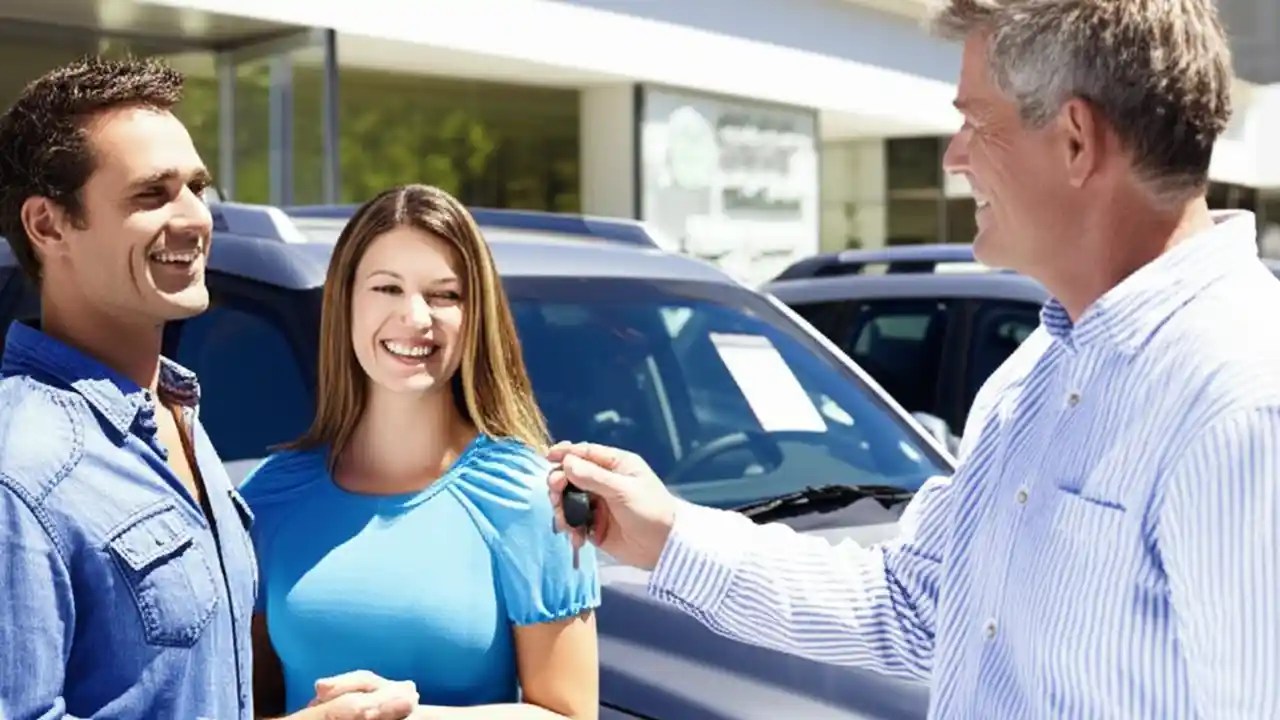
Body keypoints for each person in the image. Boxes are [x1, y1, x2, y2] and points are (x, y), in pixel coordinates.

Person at [547, 1, 1280, 718]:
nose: (954, 156)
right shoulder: (1039, 374)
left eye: (976, 120)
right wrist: (670, 533)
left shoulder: (1243, 397)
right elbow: (914, 603)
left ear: (1075, 140)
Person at [239, 183, 601, 719]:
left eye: (444, 294)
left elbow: (572, 715)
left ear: (474, 314)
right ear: (345, 302)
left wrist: (408, 718)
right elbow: (244, 706)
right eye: (386, 288)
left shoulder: (531, 496)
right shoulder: (269, 499)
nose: (415, 317)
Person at [0, 55, 258, 719]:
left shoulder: (175, 411)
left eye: (198, 187)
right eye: (153, 194)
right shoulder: (21, 471)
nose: (196, 218)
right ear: (47, 225)